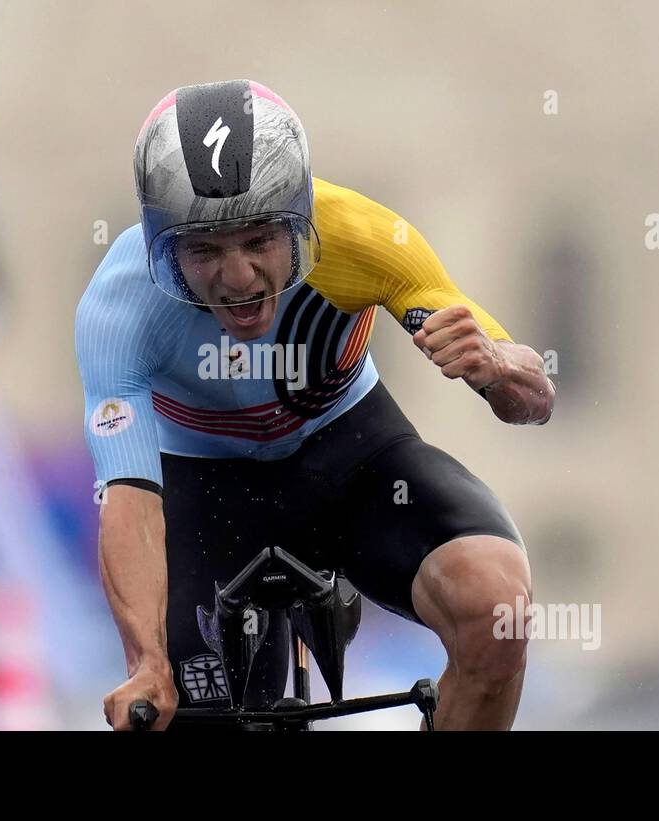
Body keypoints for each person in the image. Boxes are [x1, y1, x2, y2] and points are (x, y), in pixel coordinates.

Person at [75, 79, 554, 731]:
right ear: (164, 245)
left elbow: (533, 399)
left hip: (351, 459)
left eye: (258, 241)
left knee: (498, 608)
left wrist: (500, 368)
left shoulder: (362, 236)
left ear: (300, 220)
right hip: (205, 492)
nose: (238, 277)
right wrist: (148, 659)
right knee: (177, 710)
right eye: (205, 250)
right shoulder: (119, 307)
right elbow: (129, 495)